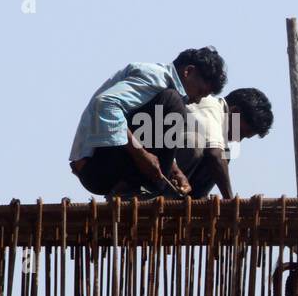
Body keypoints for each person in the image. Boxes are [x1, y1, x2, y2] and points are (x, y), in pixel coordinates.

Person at [69, 47, 227, 198]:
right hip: (95, 169)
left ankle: (144, 186)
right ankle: (152, 190)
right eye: (200, 92)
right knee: (173, 101)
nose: (197, 100)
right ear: (188, 72)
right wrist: (141, 155)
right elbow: (105, 104)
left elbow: (146, 130)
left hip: (107, 166)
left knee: (175, 104)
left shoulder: (161, 87)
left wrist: (173, 169)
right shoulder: (156, 76)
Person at [181, 88, 275, 197]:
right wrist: (231, 201)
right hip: (164, 164)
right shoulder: (210, 105)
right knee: (203, 148)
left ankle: (191, 202)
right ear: (235, 112)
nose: (238, 140)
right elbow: (214, 155)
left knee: (225, 154)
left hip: (183, 180)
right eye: (241, 133)